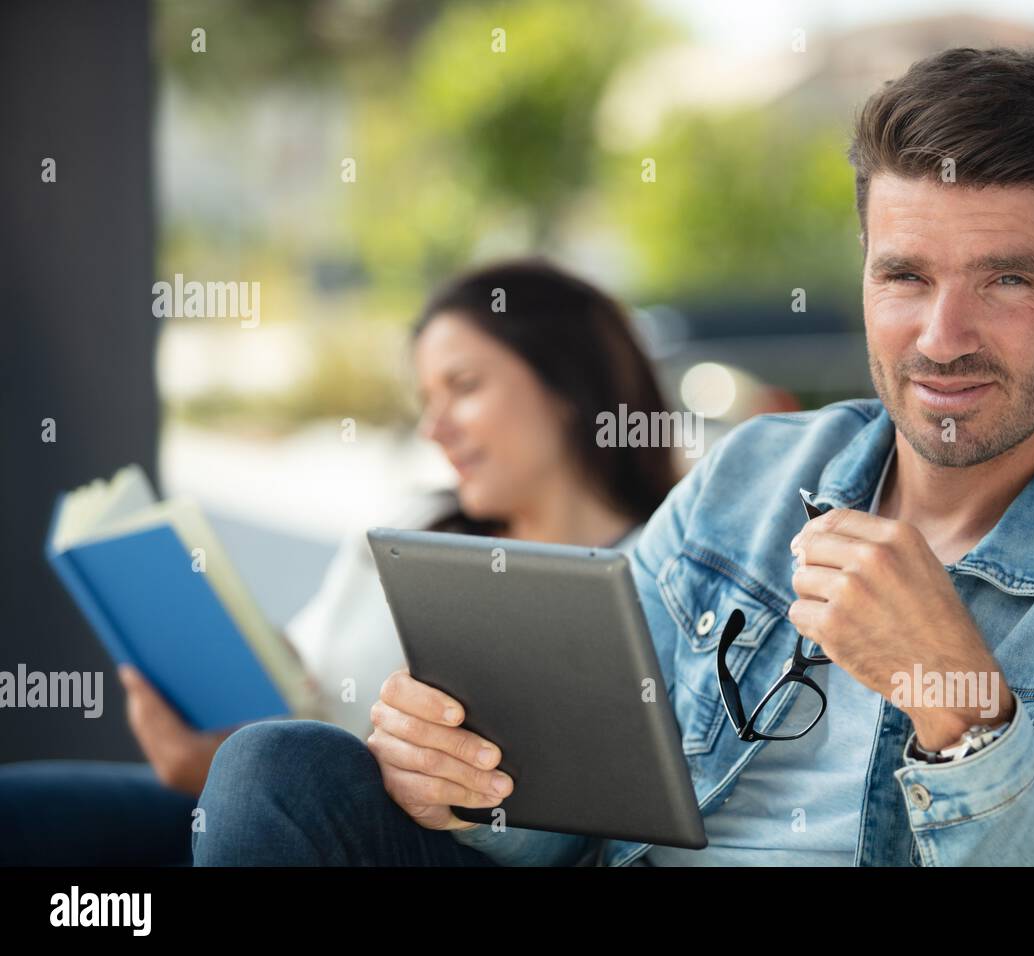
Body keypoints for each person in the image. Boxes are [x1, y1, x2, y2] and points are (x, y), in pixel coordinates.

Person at [193, 48, 1034, 868]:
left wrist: (964, 714)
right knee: (273, 769)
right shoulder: (751, 477)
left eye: (1007, 282)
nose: (941, 334)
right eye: (905, 275)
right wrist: (462, 778)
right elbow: (555, 829)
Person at [0, 258, 678, 865]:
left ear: (570, 382)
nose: (435, 429)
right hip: (261, 805)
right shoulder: (415, 529)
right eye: (427, 402)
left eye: (464, 387)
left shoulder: (658, 574)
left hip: (416, 842)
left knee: (268, 764)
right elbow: (300, 675)